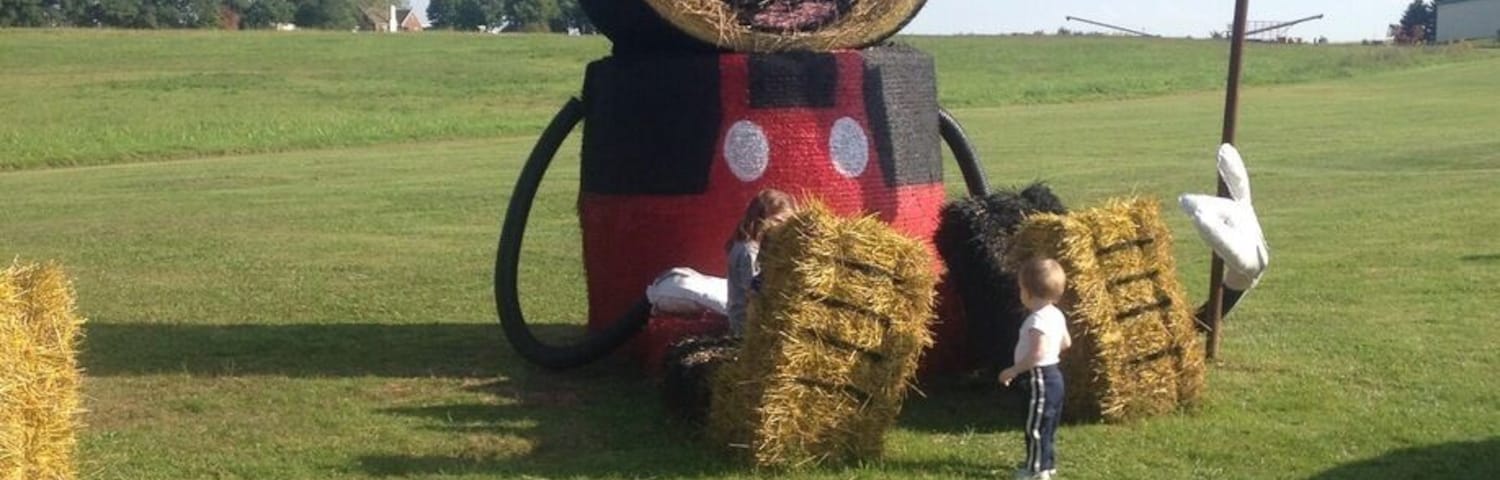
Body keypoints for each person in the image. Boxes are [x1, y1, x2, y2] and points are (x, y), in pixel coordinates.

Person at [999, 258, 1072, 480]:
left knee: (1035, 427)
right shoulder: (1056, 314)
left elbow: (1037, 354)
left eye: (1021, 289)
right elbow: (1066, 342)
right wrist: (1052, 351)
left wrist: (1013, 370)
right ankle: (1046, 463)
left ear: (1028, 293)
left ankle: (1036, 471)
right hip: (1055, 377)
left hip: (1039, 378)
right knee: (1048, 424)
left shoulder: (1036, 321)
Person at [725, 189, 797, 336]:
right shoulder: (749, 251)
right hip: (747, 324)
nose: (782, 228)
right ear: (760, 218)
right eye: (778, 221)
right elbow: (753, 292)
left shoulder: (754, 246)